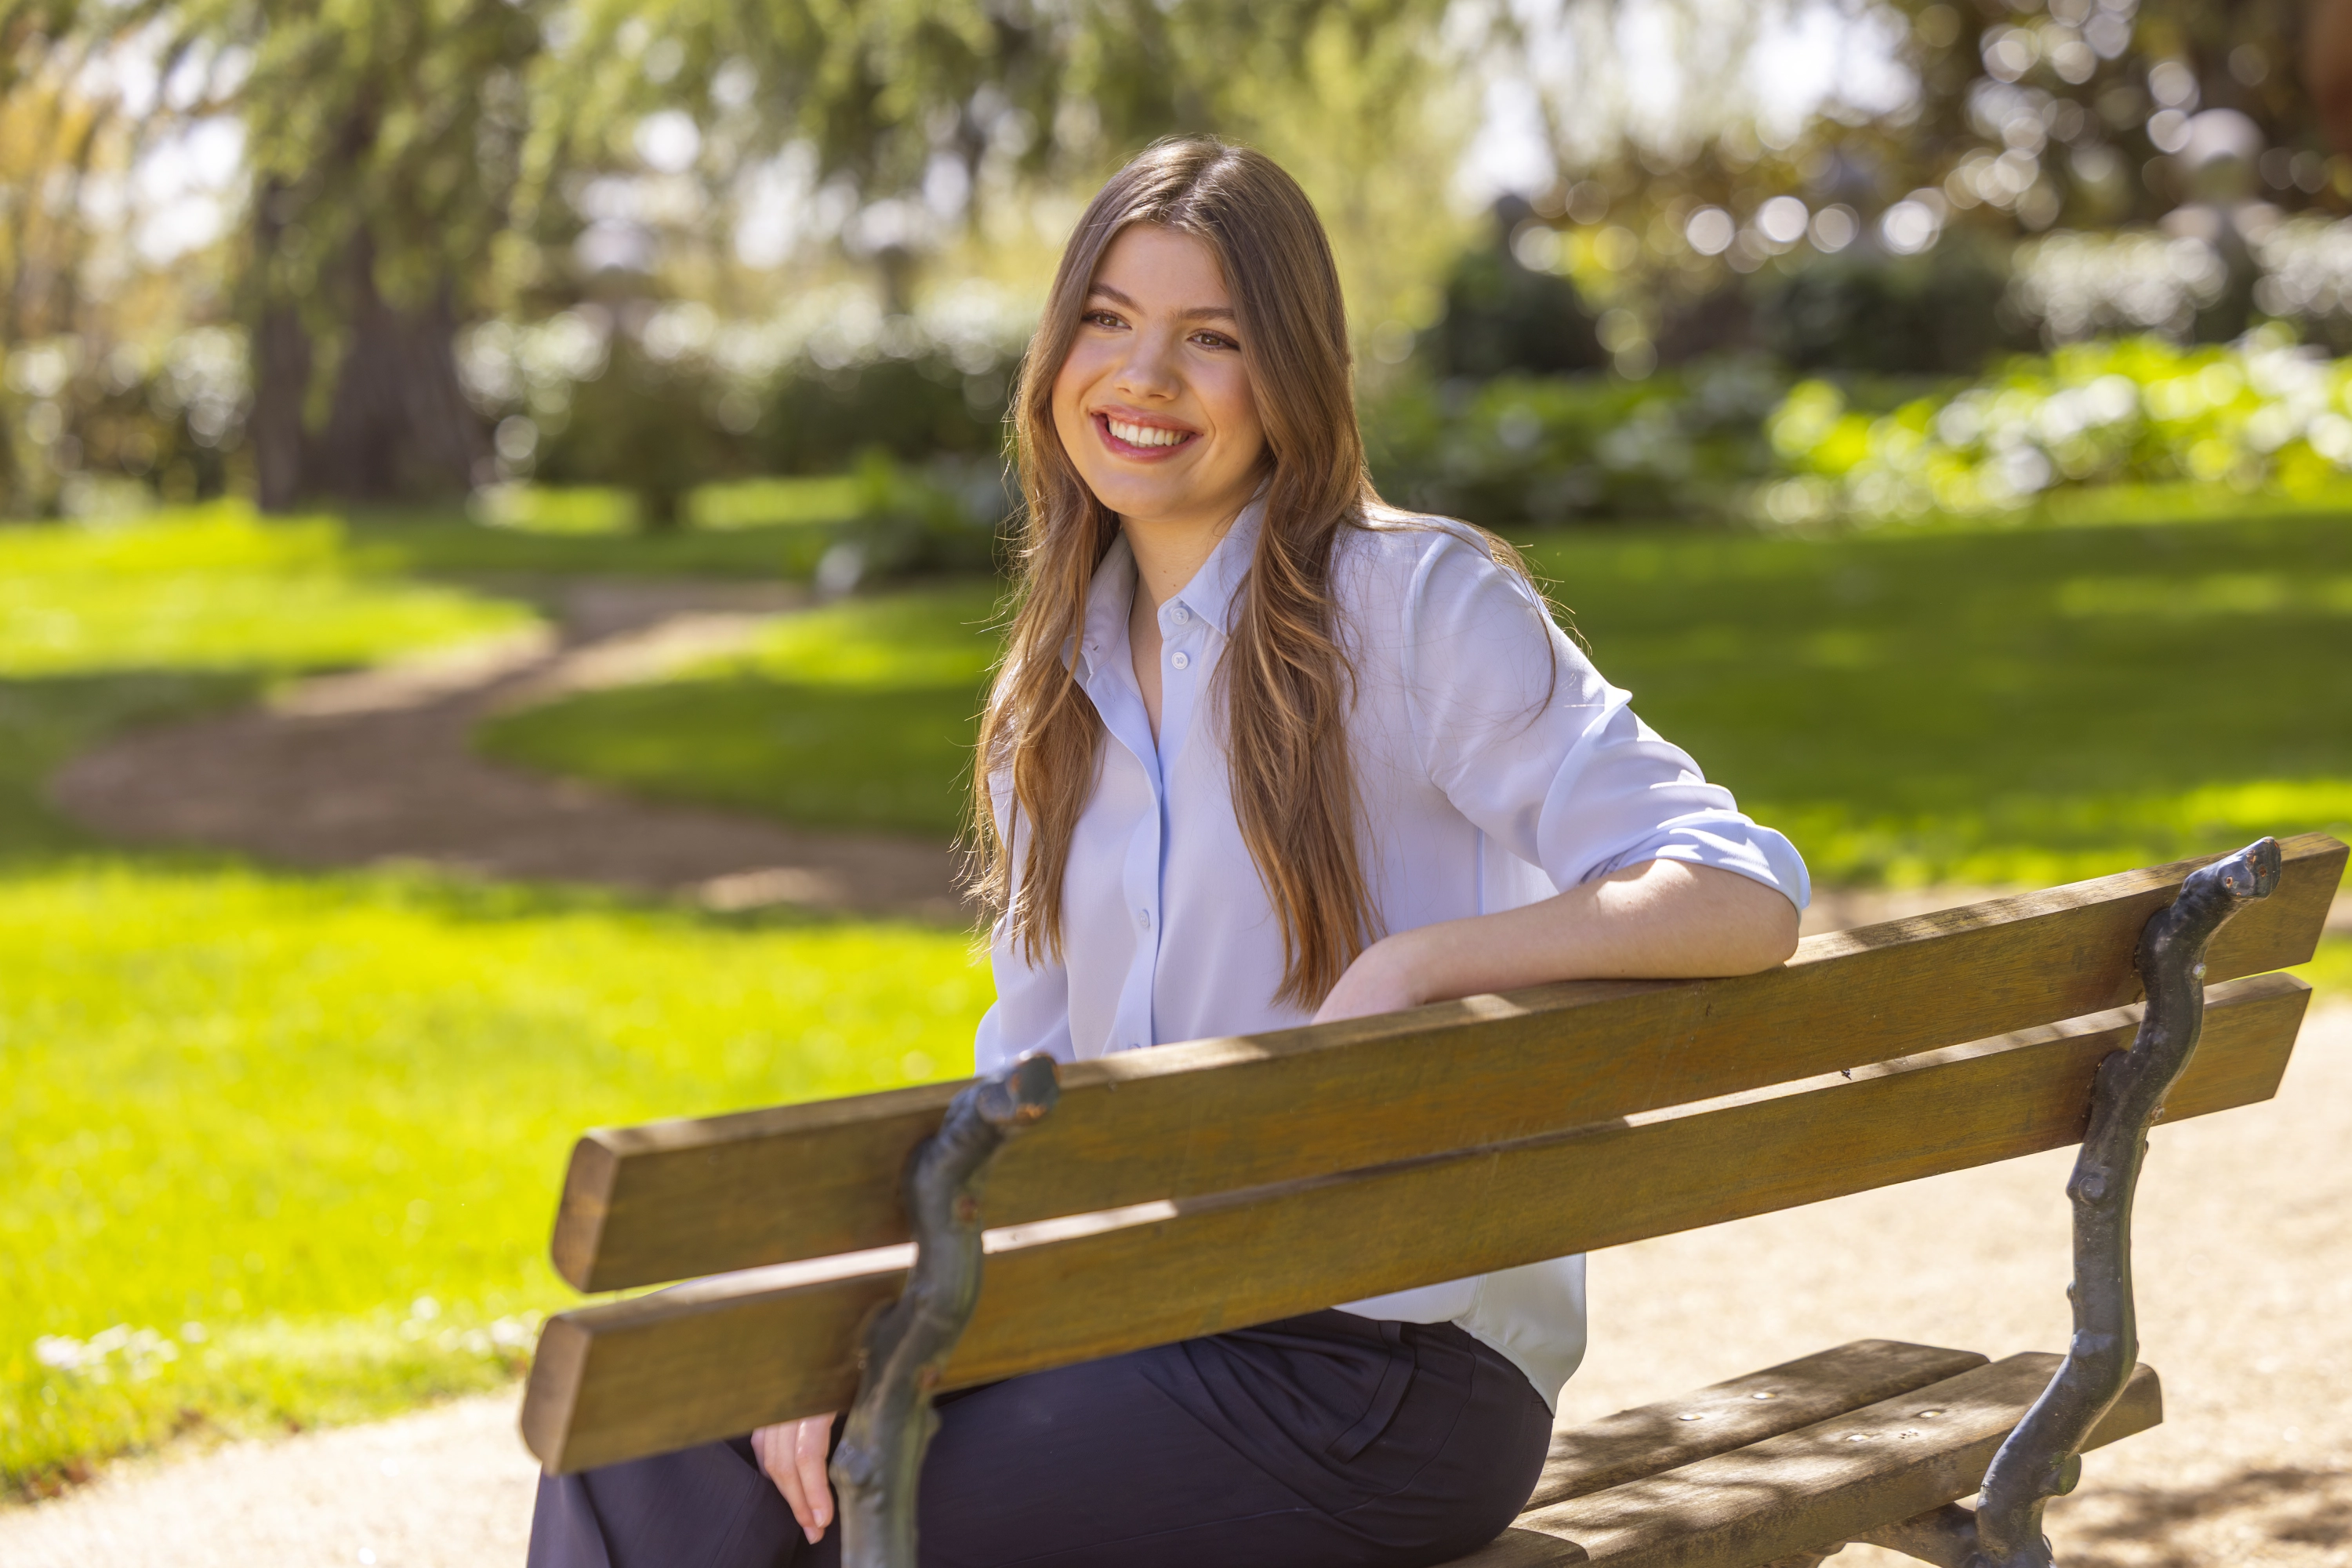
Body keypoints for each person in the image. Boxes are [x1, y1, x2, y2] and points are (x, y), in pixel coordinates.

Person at [528, 135, 1808, 1568]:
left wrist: (1421, 967)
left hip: (1381, 1384)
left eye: (1212, 339)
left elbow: (1741, 889)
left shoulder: (1414, 608)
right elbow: (1030, 1100)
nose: (1142, 377)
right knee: (648, 1435)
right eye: (1108, 320)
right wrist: (862, 1319)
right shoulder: (1048, 694)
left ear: (1292, 378)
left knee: (849, 1534)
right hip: (1135, 1318)